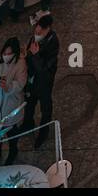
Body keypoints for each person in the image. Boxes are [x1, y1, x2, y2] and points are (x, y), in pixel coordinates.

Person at [0, 38, 28, 167]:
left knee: (11, 132)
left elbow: (20, 83)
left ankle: (13, 150)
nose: (6, 56)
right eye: (5, 53)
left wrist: (8, 86)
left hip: (9, 106)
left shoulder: (20, 64)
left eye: (9, 54)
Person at [23, 12, 60, 149]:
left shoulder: (53, 42)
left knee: (45, 107)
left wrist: (35, 55)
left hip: (44, 81)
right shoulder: (34, 38)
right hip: (31, 80)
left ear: (47, 29)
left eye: (40, 32)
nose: (37, 34)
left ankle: (43, 132)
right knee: (29, 104)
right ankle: (28, 124)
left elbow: (44, 69)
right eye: (36, 31)